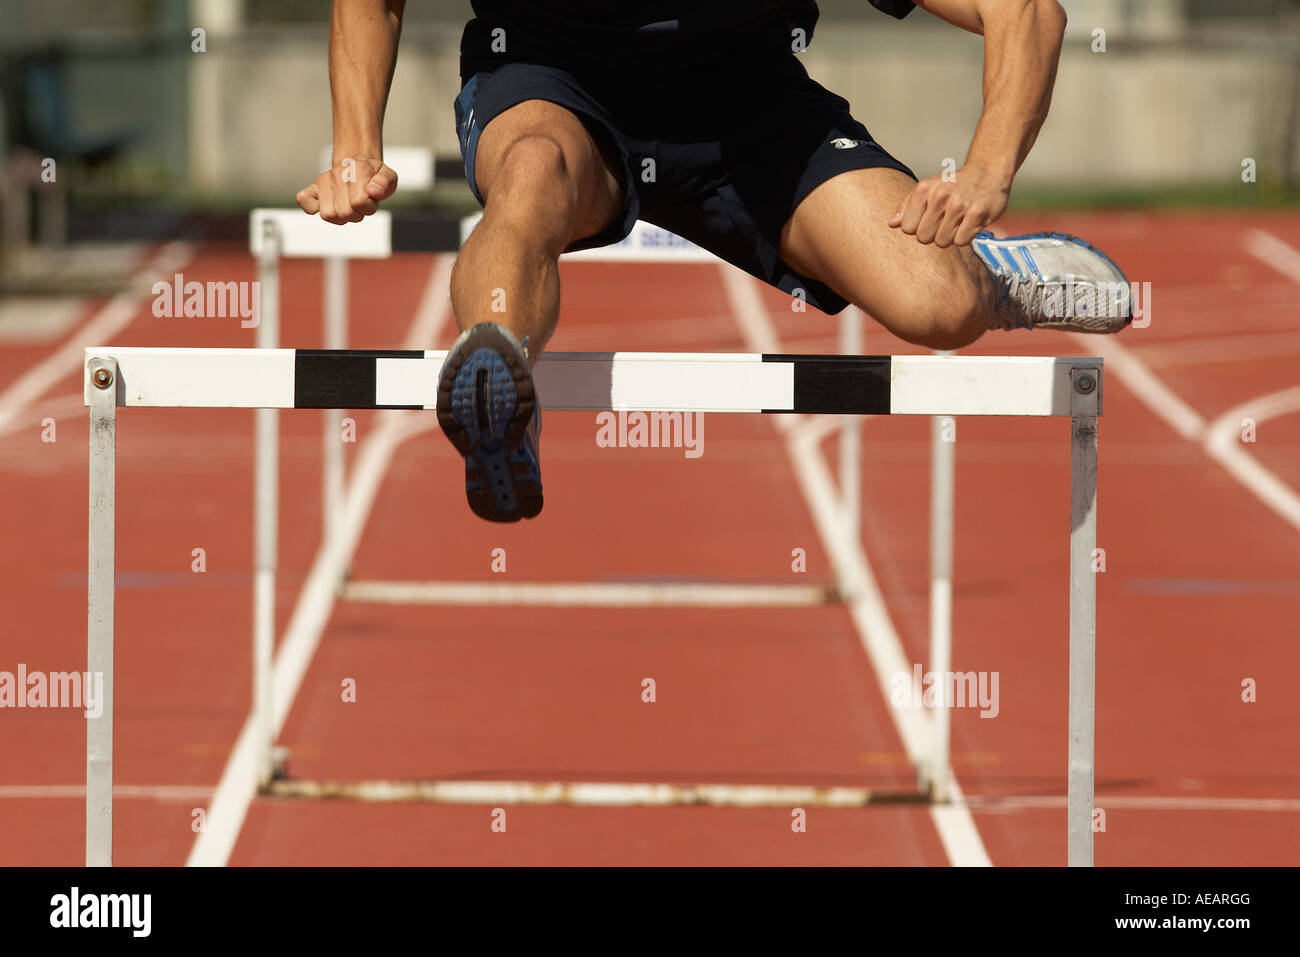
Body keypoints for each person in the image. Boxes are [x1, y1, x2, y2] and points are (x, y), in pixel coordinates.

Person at [298, 0, 1132, 523]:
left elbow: (1025, 10)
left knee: (936, 306)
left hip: (749, 109)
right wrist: (354, 147)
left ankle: (994, 277)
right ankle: (501, 374)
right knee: (529, 179)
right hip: (552, 90)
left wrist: (987, 167)